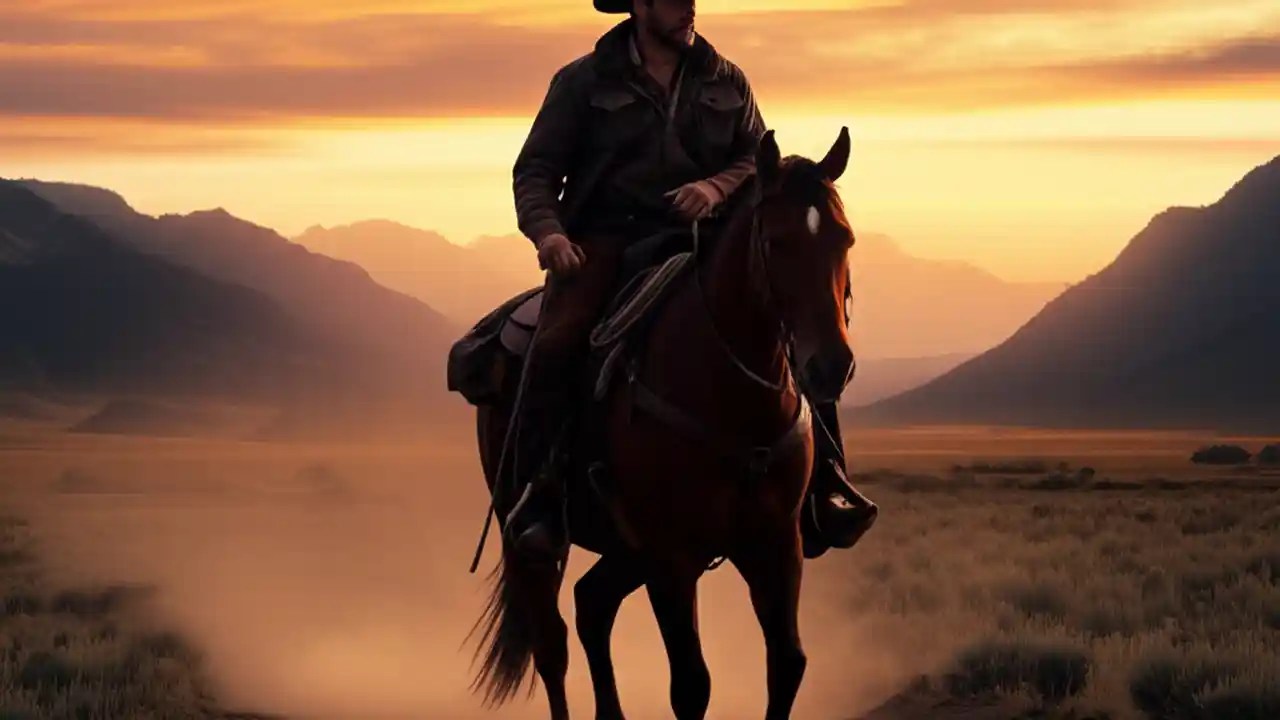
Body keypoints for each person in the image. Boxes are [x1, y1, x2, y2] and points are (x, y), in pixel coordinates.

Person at [506, 0, 877, 561]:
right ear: (639, 4)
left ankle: (824, 483)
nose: (690, 8)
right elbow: (534, 172)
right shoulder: (582, 81)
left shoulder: (726, 79)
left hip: (706, 237)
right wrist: (549, 235)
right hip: (605, 243)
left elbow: (758, 162)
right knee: (557, 341)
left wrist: (715, 188)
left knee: (797, 327)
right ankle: (540, 497)